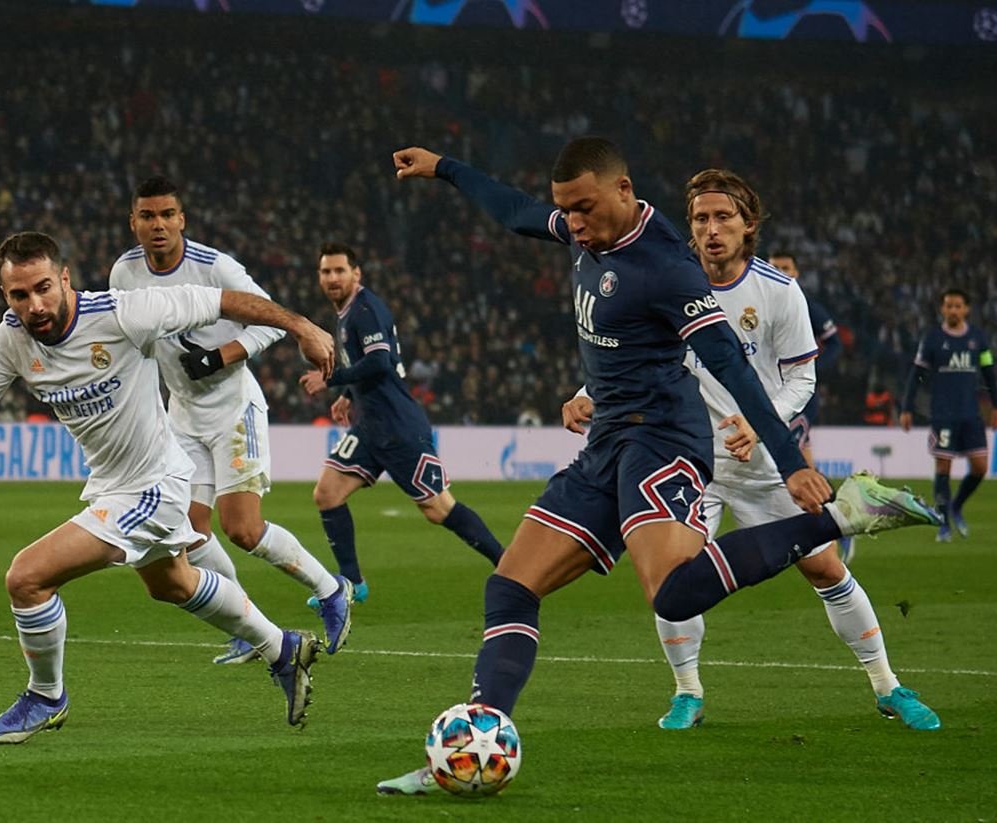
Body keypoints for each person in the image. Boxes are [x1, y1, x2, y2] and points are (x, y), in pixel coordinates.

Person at [377, 139, 941, 794]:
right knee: (510, 585)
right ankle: (477, 739)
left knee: (672, 593)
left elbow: (730, 365)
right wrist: (445, 168)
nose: (574, 224)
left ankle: (845, 514)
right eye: (569, 211)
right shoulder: (587, 233)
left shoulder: (667, 267)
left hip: (665, 439)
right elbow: (515, 212)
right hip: (609, 439)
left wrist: (790, 461)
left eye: (584, 208)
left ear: (623, 191)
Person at [0, 231, 336, 741]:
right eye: (19, 295)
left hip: (154, 485)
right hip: (113, 484)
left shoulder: (122, 314)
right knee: (172, 584)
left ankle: (46, 697)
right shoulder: (10, 341)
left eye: (44, 288)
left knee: (26, 578)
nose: (35, 304)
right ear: (5, 295)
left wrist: (301, 326)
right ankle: (281, 648)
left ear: (65, 279)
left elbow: (223, 301)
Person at [566, 169, 935, 733]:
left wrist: (763, 425)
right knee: (671, 584)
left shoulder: (780, 293)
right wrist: (586, 393)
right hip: (687, 460)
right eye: (700, 219)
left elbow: (803, 381)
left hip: (763, 464)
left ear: (749, 225)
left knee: (826, 570)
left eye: (723, 218)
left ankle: (888, 685)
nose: (711, 230)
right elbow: (634, 359)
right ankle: (687, 692)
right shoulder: (666, 278)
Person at [108, 176, 352, 666]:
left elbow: (271, 319)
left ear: (182, 219)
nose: (158, 225)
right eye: (148, 216)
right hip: (181, 414)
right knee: (190, 533)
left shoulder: (214, 266)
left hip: (233, 410)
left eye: (167, 215)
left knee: (242, 528)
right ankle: (247, 625)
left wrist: (226, 353)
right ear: (133, 222)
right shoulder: (124, 274)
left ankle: (331, 591)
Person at [298, 242, 504, 598]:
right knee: (327, 493)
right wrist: (348, 397)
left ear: (356, 273)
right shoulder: (347, 311)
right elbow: (379, 363)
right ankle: (352, 583)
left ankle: (509, 566)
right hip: (370, 425)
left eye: (339, 271)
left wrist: (331, 380)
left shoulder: (366, 309)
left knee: (439, 509)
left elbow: (380, 362)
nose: (332, 278)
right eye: (326, 272)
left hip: (398, 428)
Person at [768, 250, 854, 563]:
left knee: (796, 465)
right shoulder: (760, 300)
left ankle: (837, 522)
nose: (779, 271)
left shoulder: (804, 303)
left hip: (798, 396)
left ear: (797, 272)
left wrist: (812, 369)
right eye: (774, 266)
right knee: (803, 466)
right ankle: (838, 518)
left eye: (785, 267)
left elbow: (835, 342)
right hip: (769, 395)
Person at [900, 288, 997, 542]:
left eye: (958, 306)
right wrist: (906, 407)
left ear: (966, 309)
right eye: (949, 306)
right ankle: (944, 522)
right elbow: (916, 375)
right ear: (943, 309)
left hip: (971, 414)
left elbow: (989, 373)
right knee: (943, 466)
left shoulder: (978, 338)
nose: (953, 310)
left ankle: (956, 505)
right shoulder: (933, 338)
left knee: (980, 467)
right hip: (943, 414)